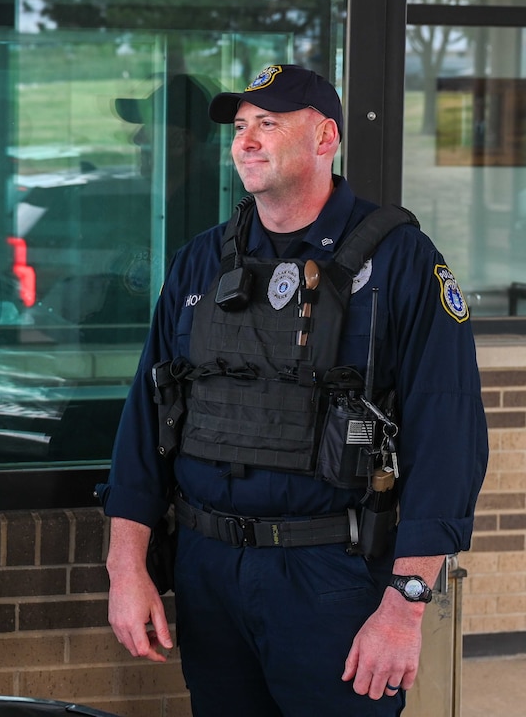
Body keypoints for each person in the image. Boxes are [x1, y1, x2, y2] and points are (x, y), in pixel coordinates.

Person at [98, 64, 487, 716]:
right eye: (240, 127)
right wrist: (125, 568)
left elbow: (447, 441)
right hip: (209, 572)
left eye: (268, 124)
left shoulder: (401, 262)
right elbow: (146, 420)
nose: (245, 141)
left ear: (325, 138)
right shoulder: (201, 259)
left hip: (332, 580)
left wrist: (405, 608)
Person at [114, 72, 222, 255]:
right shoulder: (171, 203)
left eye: (148, 126)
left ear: (180, 141)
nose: (137, 138)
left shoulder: (200, 215)